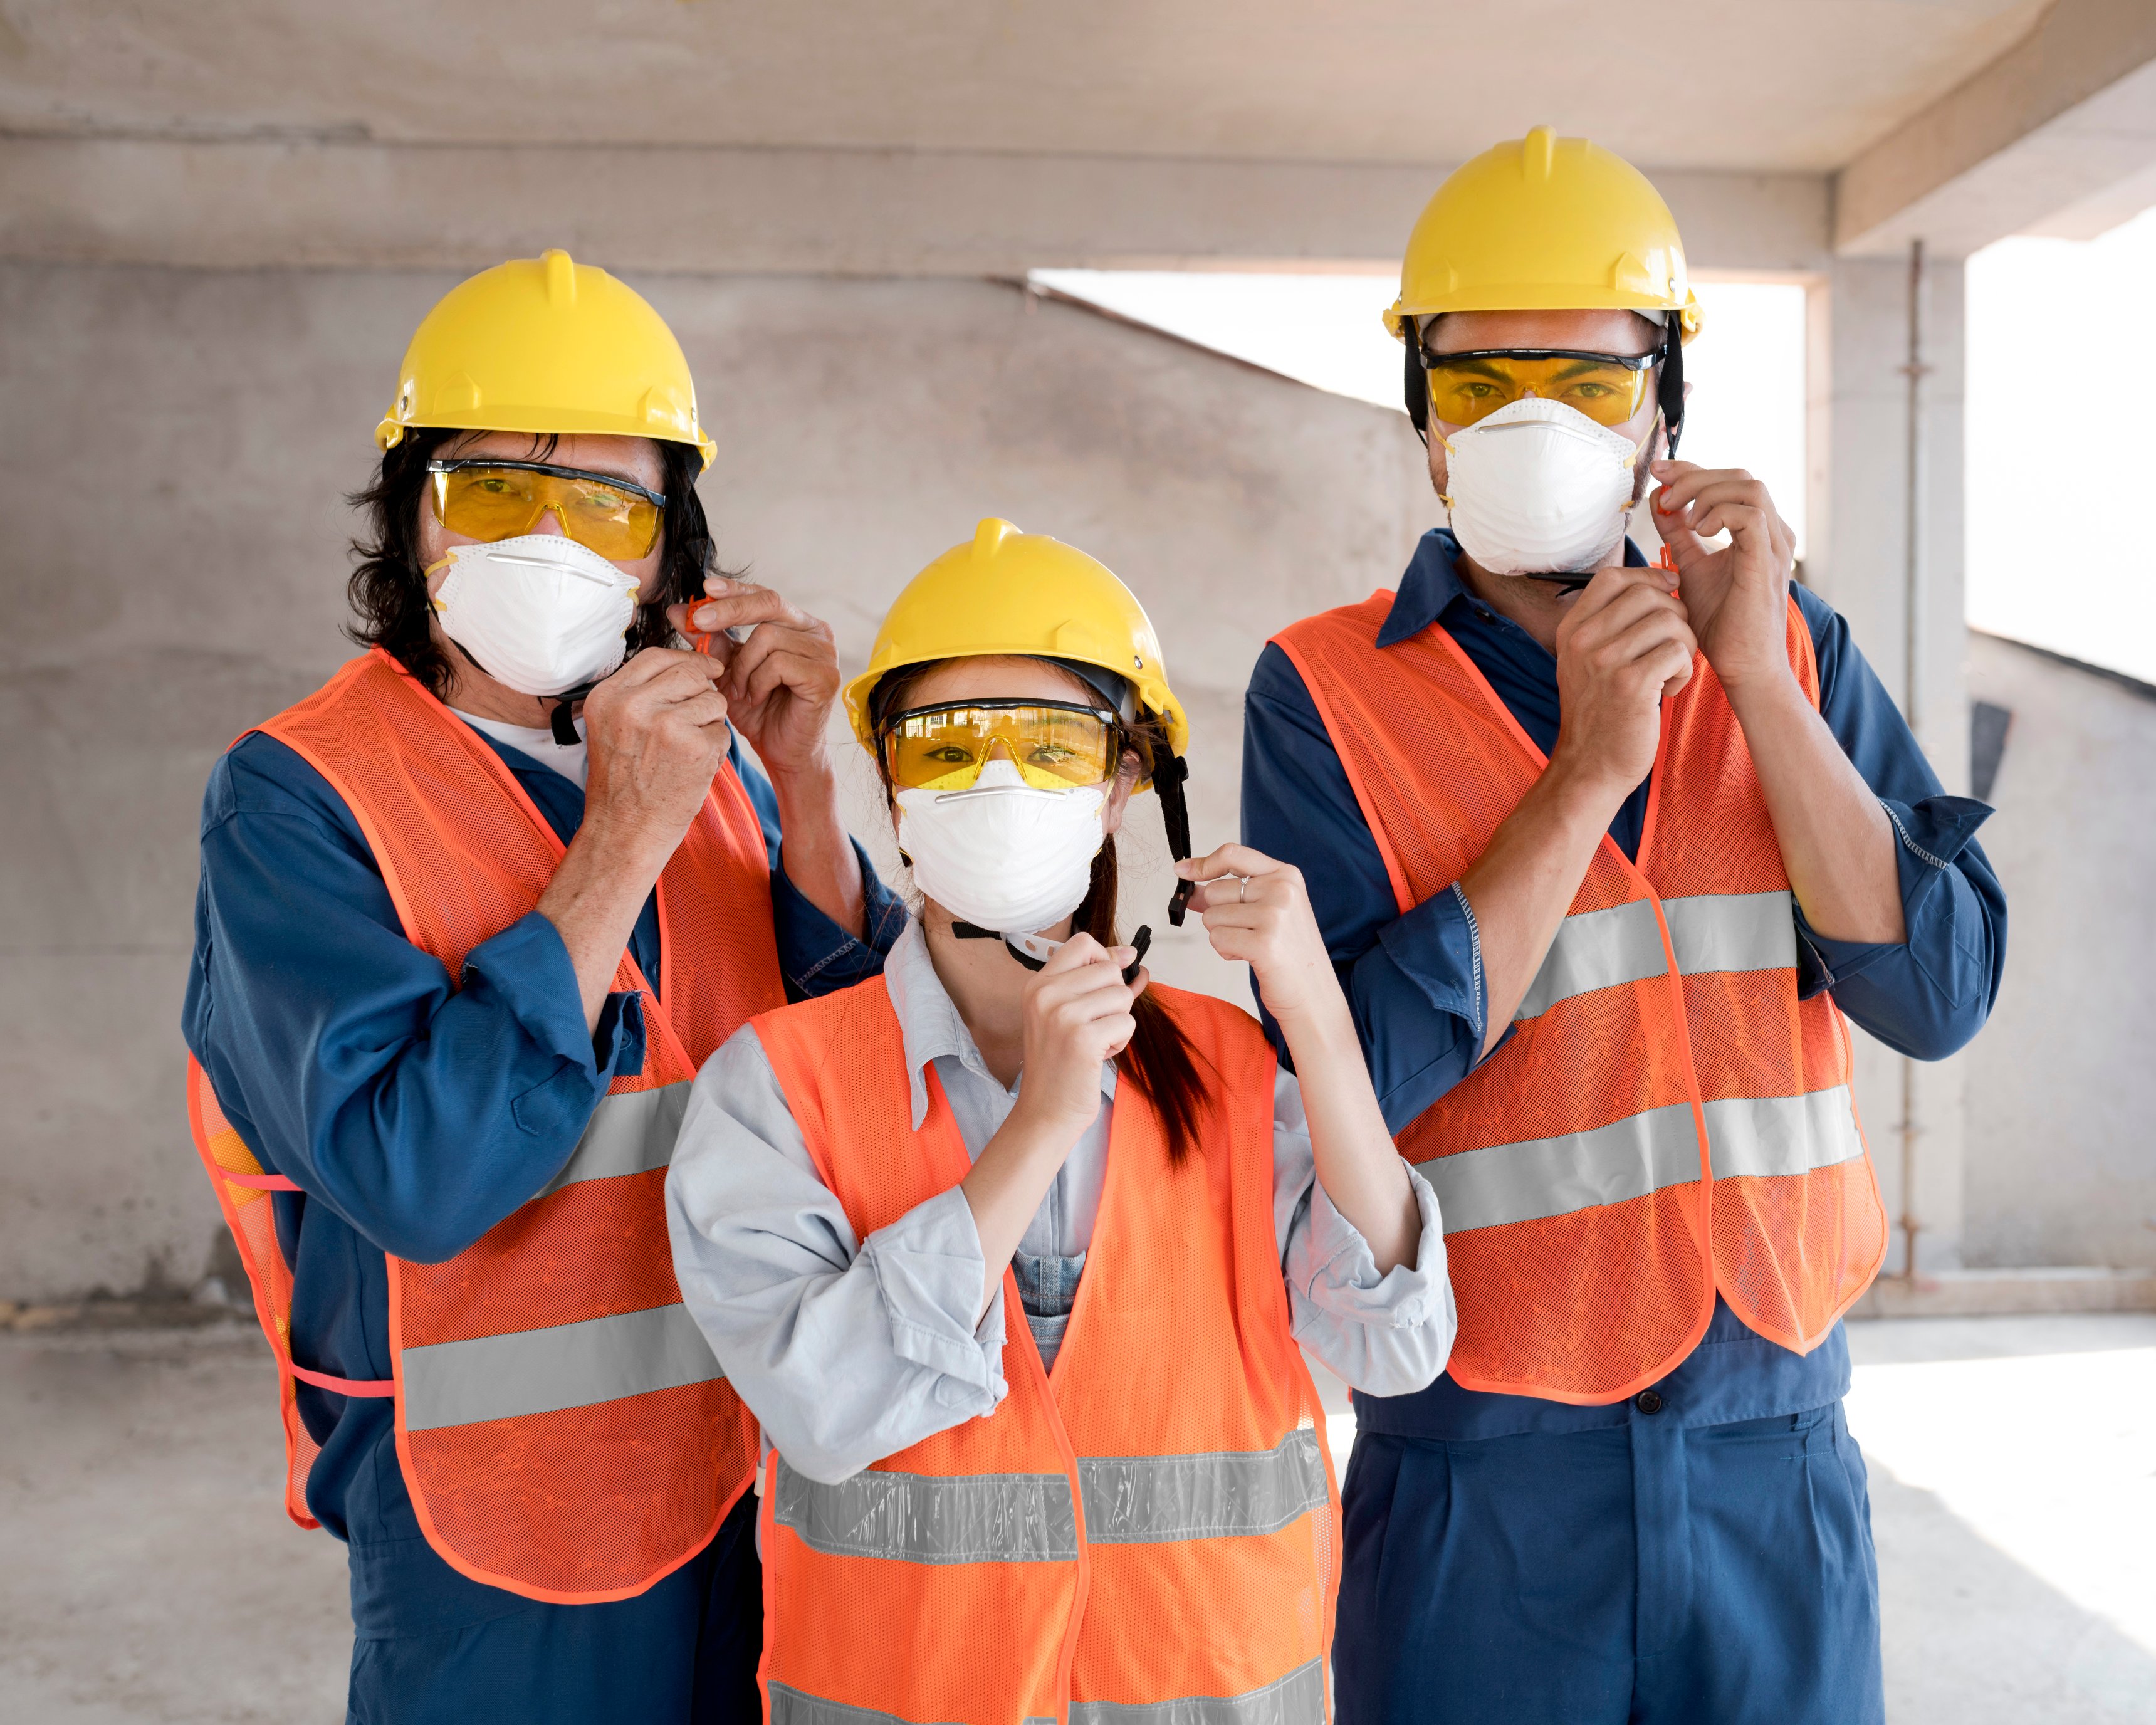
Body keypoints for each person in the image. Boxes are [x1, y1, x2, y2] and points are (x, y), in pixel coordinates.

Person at [1245, 130, 2007, 1724]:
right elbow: (1352, 1068)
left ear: (1665, 407)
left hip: (1770, 1440)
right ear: (1422, 417)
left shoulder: (1789, 644)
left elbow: (1934, 993)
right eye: (1479, 381)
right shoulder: (1321, 688)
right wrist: (1590, 768)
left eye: (1585, 382)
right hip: (1481, 1464)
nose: (1529, 417)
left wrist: (1756, 680)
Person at [181, 249, 904, 1724]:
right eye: (497, 490)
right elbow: (418, 1172)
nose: (553, 542)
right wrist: (622, 832)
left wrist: (804, 787)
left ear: (665, 552)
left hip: (759, 1460)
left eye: (606, 505)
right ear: (415, 512)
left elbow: (864, 1072)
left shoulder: (715, 769)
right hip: (496, 1512)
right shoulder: (300, 796)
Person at [666, 518, 1453, 1724]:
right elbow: (826, 1408)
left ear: (1127, 781)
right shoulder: (776, 1087)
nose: (994, 779)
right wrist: (1038, 1123)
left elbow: (1398, 1344)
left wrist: (1313, 1014)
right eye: (943, 745)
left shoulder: (1231, 1069)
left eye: (1049, 745)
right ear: (888, 781)